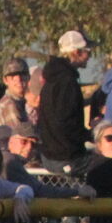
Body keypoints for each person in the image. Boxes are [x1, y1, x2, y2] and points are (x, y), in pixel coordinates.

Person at [37, 30, 94, 171]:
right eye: (88, 52)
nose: (90, 57)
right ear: (76, 52)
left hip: (50, 156)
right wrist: (92, 134)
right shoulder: (67, 82)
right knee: (110, 163)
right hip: (67, 157)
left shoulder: (53, 79)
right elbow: (66, 123)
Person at [0, 58, 36, 134]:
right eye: (12, 76)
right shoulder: (9, 105)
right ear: (5, 80)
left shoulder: (23, 102)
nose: (18, 79)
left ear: (28, 77)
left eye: (22, 74)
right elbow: (22, 136)